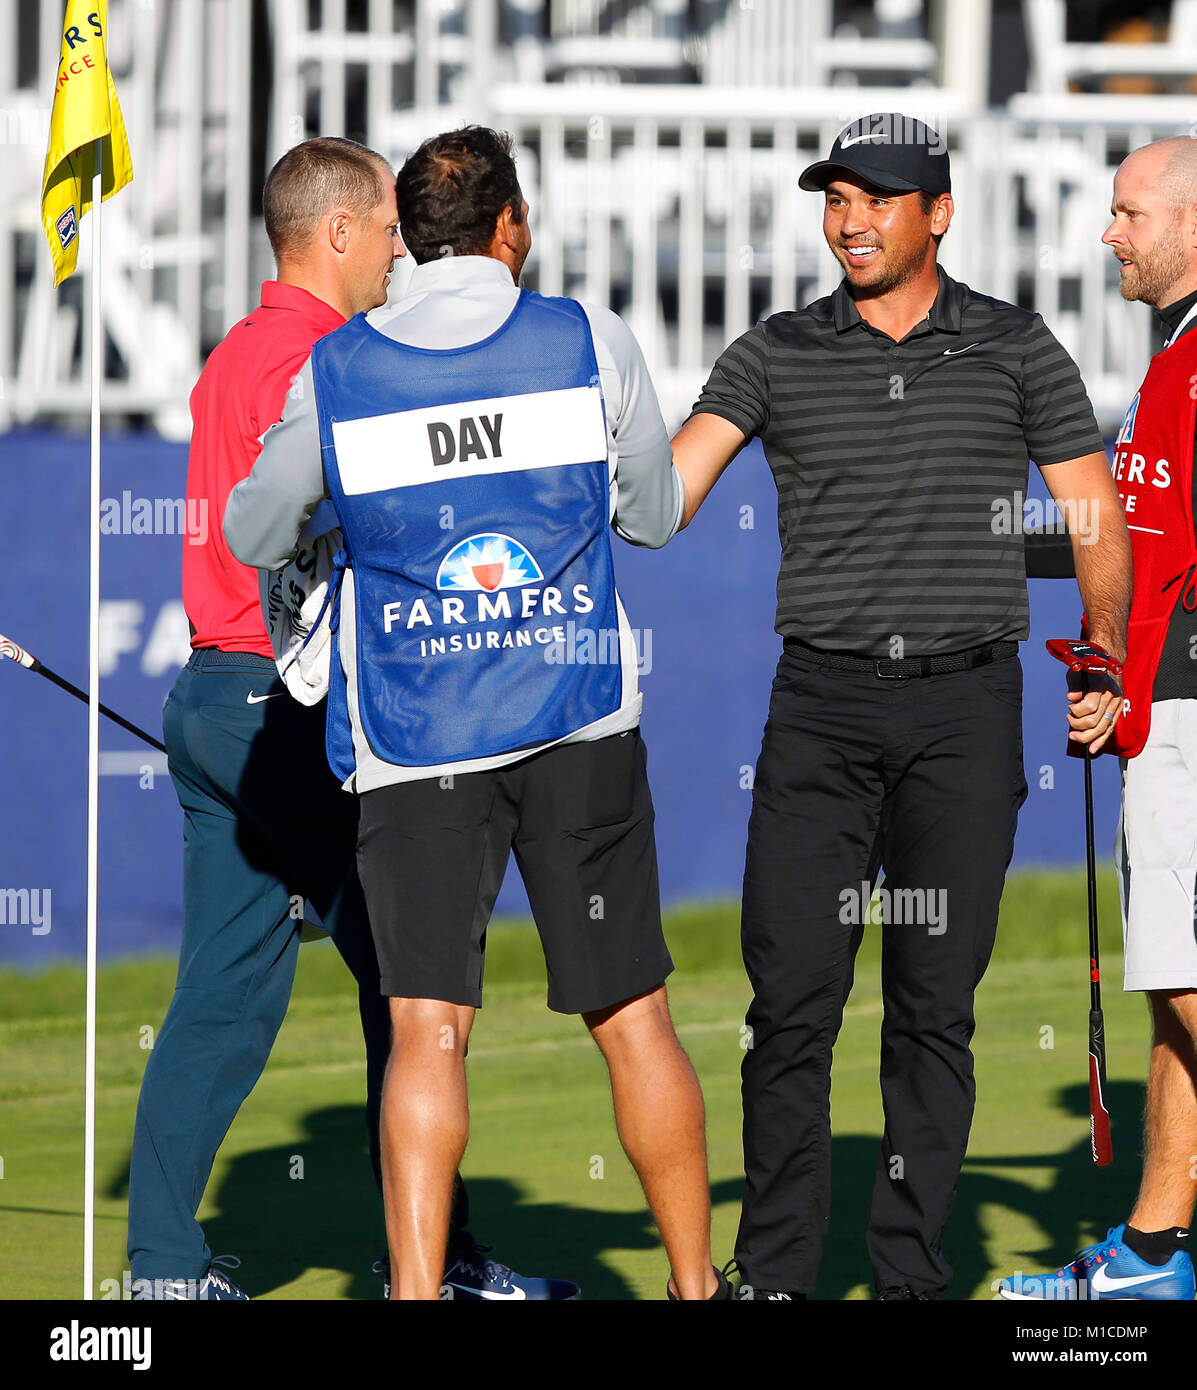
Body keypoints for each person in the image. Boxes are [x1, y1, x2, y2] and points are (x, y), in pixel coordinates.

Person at [224, 125, 726, 1302]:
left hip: (416, 737)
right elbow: (651, 517)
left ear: (413, 240)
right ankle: (699, 1289)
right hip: (578, 725)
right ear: (510, 229)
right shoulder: (589, 338)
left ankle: (413, 1294)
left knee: (427, 1030)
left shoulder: (337, 368)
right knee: (633, 1016)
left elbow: (254, 530)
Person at [670, 112, 1132, 1300]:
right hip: (818, 710)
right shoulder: (773, 350)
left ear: (938, 212)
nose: (850, 219)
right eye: (836, 197)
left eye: (877, 197)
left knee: (934, 1009)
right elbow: (669, 490)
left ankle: (911, 1271)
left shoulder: (1018, 347)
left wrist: (1105, 653)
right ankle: (775, 1274)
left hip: (964, 713)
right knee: (791, 1011)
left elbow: (1090, 511)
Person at [130, 136, 563, 1301]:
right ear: (336, 235)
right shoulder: (333, 355)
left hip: (216, 700)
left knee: (221, 995)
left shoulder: (235, 353)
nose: (396, 256)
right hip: (292, 706)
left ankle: (164, 1268)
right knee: (418, 990)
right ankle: (438, 1263)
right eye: (383, 231)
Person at [999, 136, 1197, 1302]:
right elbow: (1122, 530)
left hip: (1188, 708)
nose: (1108, 234)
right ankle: (1157, 1255)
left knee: (1183, 986)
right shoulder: (1170, 354)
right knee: (1180, 991)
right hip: (1164, 699)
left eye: (1129, 214)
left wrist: (1131, 667)